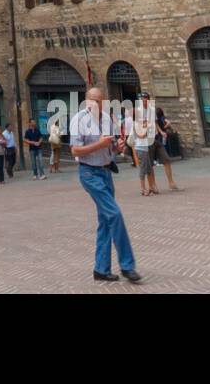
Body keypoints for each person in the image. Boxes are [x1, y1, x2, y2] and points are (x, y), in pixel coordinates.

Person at [70, 88, 141, 283]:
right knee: (115, 215)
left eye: (100, 100)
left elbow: (110, 147)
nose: (96, 103)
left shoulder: (107, 119)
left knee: (106, 221)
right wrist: (100, 145)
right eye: (93, 100)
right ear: (86, 101)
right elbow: (75, 150)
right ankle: (128, 266)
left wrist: (116, 148)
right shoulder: (79, 120)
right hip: (89, 173)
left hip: (106, 172)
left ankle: (101, 269)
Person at [150, 104, 181, 191]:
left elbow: (156, 124)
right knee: (150, 164)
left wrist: (161, 131)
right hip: (148, 140)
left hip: (158, 139)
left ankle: (171, 183)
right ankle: (153, 185)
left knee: (166, 160)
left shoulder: (153, 114)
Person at [131, 109, 156, 196]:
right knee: (143, 169)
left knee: (149, 169)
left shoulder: (141, 124)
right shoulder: (136, 124)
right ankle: (142, 189)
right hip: (140, 149)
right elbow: (141, 135)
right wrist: (147, 128)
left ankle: (151, 187)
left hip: (144, 149)